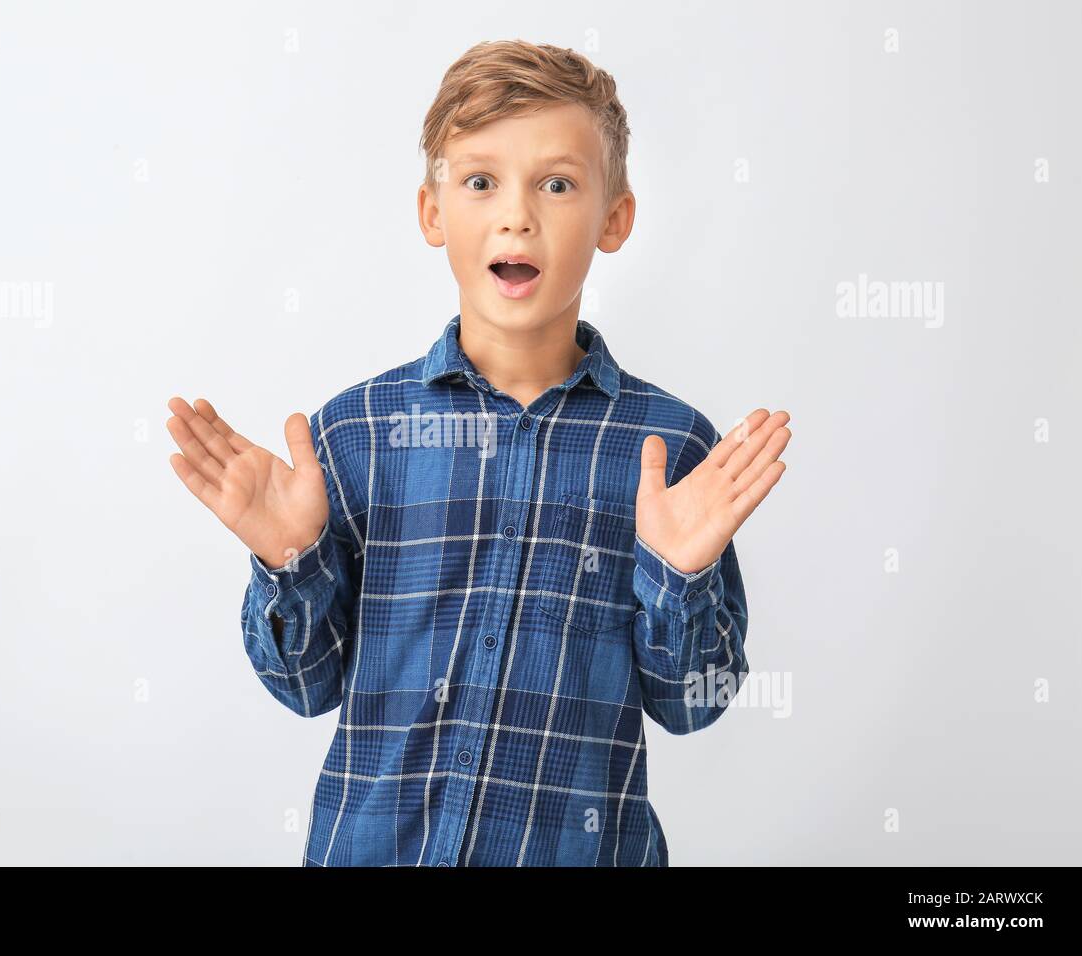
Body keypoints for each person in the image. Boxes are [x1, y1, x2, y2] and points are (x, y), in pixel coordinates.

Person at [166, 39, 791, 866]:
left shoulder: (670, 450)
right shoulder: (355, 435)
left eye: (557, 183)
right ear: (433, 211)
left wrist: (679, 579)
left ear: (615, 218)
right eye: (481, 181)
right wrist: (291, 561)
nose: (517, 214)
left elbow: (691, 705)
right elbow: (305, 687)